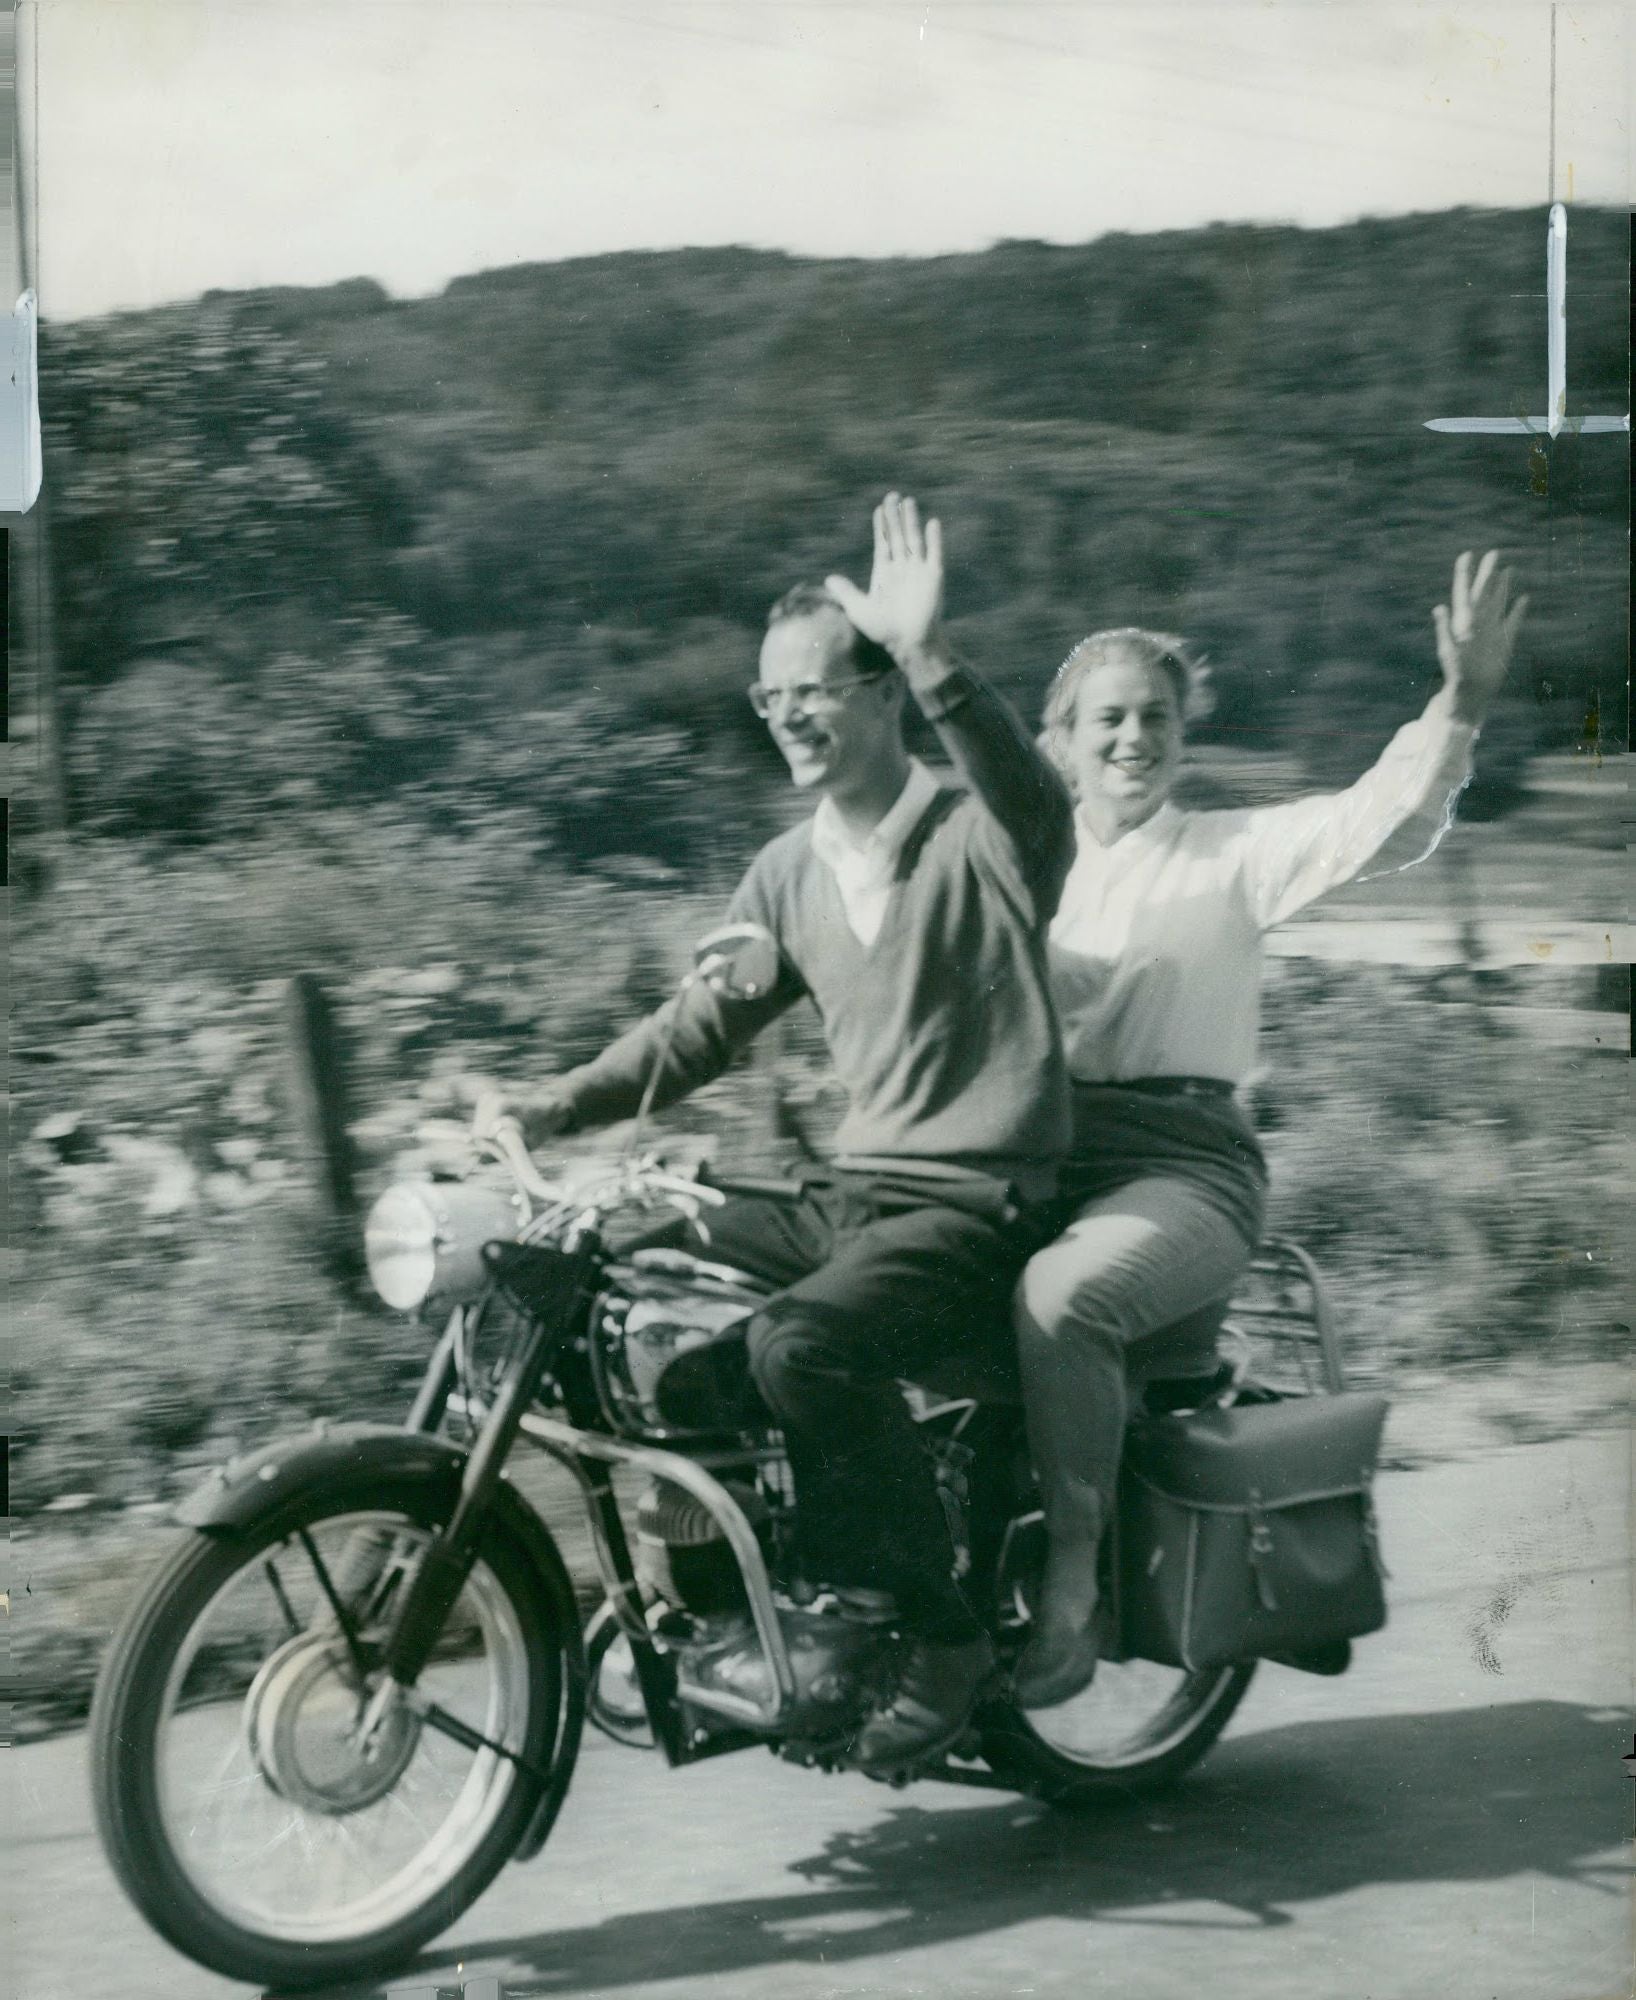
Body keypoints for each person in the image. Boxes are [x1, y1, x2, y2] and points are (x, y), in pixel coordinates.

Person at [484, 493, 1075, 1769]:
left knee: (803, 1348)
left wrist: (932, 650)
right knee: (648, 1298)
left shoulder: (980, 839)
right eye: (767, 699)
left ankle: (939, 1627)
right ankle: (755, 1625)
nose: (786, 718)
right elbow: (695, 1031)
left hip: (978, 1203)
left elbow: (1039, 805)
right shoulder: (787, 871)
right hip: (859, 1191)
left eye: (809, 691)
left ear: (879, 696)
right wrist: (553, 1103)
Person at [1012, 550, 1527, 1708]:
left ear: (1181, 737)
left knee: (1062, 1300)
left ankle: (1071, 1587)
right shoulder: (1018, 865)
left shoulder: (1229, 854)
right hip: (1038, 1151)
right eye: (1108, 718)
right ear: (1058, 739)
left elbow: (1373, 826)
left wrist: (1460, 702)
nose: (1132, 737)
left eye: (1154, 717)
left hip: (1185, 1165)